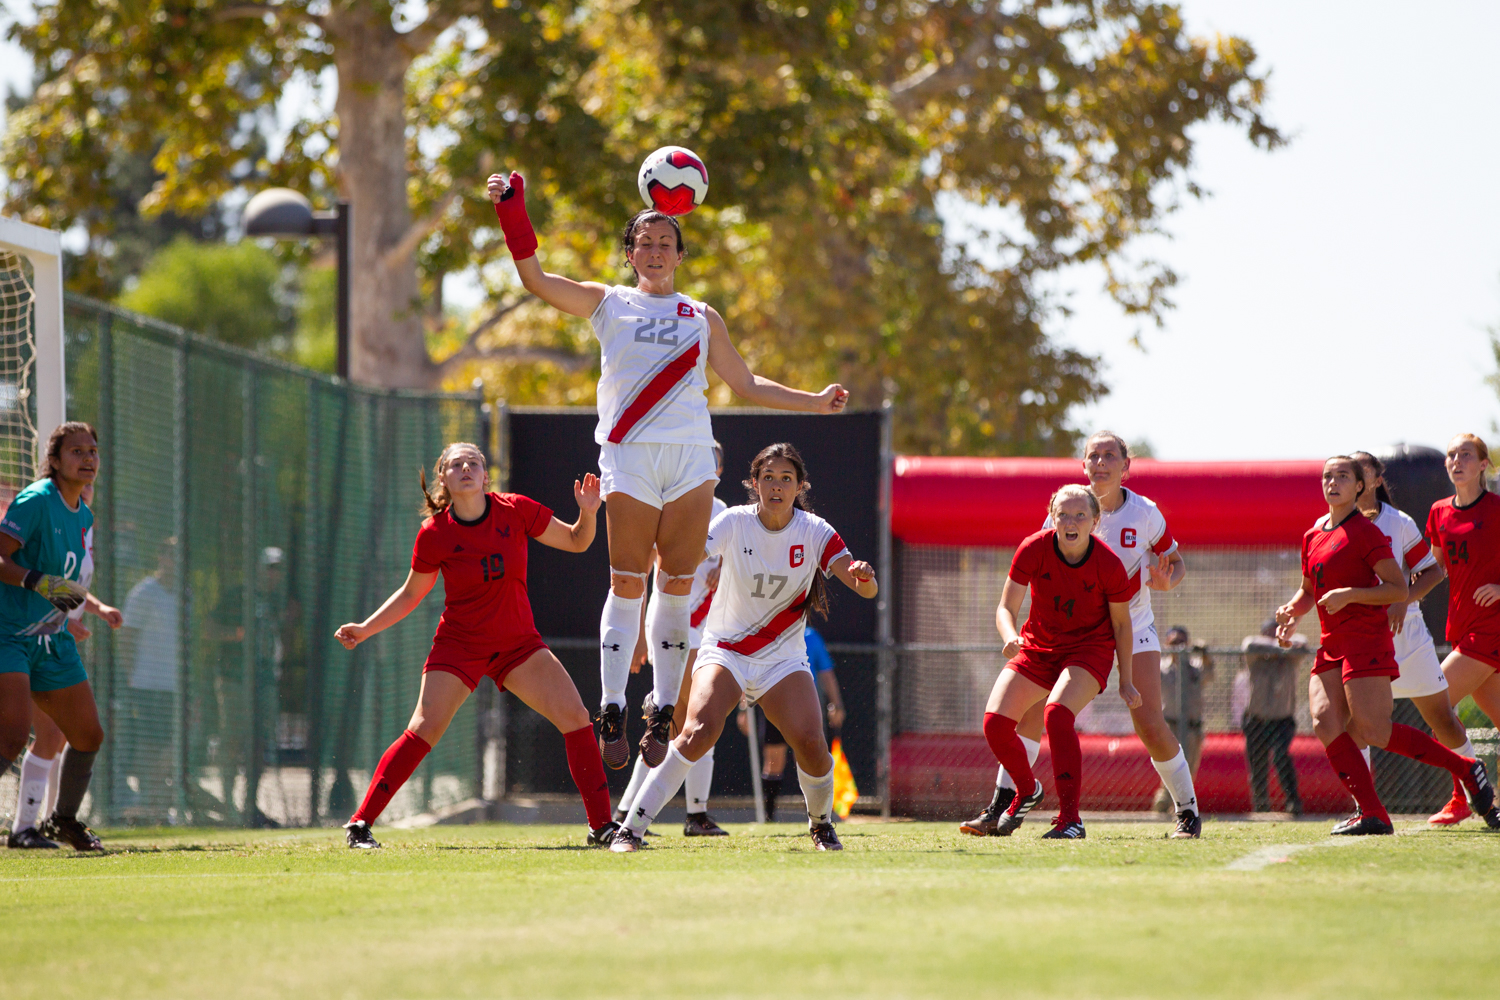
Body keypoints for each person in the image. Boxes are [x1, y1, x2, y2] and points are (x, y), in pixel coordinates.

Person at [486, 171, 848, 776]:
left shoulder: (701, 316)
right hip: (629, 454)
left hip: (691, 458)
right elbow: (536, 280)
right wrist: (511, 211)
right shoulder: (608, 302)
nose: (655, 250)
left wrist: (814, 401)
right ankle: (611, 707)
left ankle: (659, 710)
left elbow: (745, 383)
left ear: (680, 255)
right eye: (644, 242)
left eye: (665, 243)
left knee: (677, 583)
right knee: (628, 579)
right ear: (629, 254)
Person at [334, 443, 620, 848]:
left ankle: (602, 827)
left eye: (474, 463)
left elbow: (577, 541)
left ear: (486, 476)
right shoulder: (434, 533)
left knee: (575, 716)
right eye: (456, 464)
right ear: (443, 478)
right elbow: (411, 593)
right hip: (460, 645)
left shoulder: (515, 509)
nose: (466, 468)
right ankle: (360, 824)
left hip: (517, 644)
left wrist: (588, 514)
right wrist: (365, 629)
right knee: (423, 728)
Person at [609, 443, 878, 852]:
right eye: (768, 477)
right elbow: (685, 556)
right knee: (697, 731)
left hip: (783, 659)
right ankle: (630, 829)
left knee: (811, 742)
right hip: (726, 651)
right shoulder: (734, 521)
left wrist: (864, 577)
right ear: (754, 483)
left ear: (800, 486)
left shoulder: (816, 530)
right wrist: (661, 541)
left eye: (786, 478)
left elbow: (865, 588)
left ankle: (822, 825)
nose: (776, 486)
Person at [970, 432, 1202, 838]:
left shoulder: (1145, 513)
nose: (1101, 462)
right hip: (1070, 633)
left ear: (1126, 466)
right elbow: (1039, 574)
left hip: (1130, 624)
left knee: (1148, 721)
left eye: (1110, 455)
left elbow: (1176, 563)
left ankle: (1187, 810)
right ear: (1082, 465)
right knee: (1029, 714)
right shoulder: (1063, 511)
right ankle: (1004, 805)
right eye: (1093, 456)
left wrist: (1168, 581)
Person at [1274, 455, 1495, 835]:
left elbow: (1397, 588)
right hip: (1331, 643)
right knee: (1324, 721)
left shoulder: (1368, 531)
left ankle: (1465, 769)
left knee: (1375, 730)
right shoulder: (1313, 534)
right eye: (1328, 476)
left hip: (1368, 639)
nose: (1333, 482)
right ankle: (1372, 812)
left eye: (1342, 476)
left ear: (1361, 485)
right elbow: (1309, 589)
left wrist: (1350, 595)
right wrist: (1292, 611)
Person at [963, 484, 1140, 840]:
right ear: (1052, 517)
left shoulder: (1109, 564)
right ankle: (1027, 791)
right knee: (995, 724)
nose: (1071, 522)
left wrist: (1126, 679)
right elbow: (1006, 608)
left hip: (1089, 650)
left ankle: (1070, 820)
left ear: (1095, 521)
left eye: (1080, 515)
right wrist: (1009, 636)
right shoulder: (1033, 548)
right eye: (1063, 515)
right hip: (1038, 647)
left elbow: (1122, 625)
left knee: (1056, 714)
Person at [0, 423, 120, 851]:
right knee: (13, 736)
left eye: (93, 451)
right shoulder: (35, 500)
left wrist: (85, 608)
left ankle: (62, 821)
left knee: (88, 736)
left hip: (51, 641)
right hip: (9, 634)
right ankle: (23, 829)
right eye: (76, 451)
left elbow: (68, 583)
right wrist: (36, 581)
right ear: (54, 460)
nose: (88, 458)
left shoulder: (83, 515)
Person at [1347, 450, 1482, 826]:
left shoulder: (1398, 522)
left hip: (1406, 637)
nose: (1348, 477)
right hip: (1361, 641)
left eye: (1360, 470)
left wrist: (1402, 600)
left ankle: (1478, 794)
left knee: (1442, 718)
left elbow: (1433, 571)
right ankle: (1365, 808)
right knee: (1355, 725)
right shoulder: (1333, 526)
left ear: (1375, 480)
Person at [613, 443, 731, 837]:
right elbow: (639, 574)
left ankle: (634, 812)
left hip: (708, 630)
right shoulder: (665, 505)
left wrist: (727, 568)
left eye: (711, 460)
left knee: (680, 725)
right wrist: (638, 636)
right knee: (693, 719)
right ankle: (689, 815)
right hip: (673, 625)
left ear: (718, 470)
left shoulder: (725, 513)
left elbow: (742, 563)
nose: (702, 465)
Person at [1422, 433, 1500, 828]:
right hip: (1462, 628)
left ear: (1483, 464)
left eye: (1466, 455)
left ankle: (1463, 795)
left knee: (1436, 703)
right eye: (1452, 455)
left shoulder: (1497, 509)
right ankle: (1469, 791)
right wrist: (1402, 590)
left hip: (1490, 629)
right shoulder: (1439, 511)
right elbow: (1435, 567)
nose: (1457, 461)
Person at [743, 625, 846, 821]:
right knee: (773, 761)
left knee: (811, 756)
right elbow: (749, 669)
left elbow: (826, 673)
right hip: (774, 704)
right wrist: (744, 709)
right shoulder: (768, 633)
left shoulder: (811, 637)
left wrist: (836, 704)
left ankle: (819, 816)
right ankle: (768, 816)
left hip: (804, 706)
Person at [1240, 620, 1307, 814]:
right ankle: (1261, 804)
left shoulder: (1291, 657)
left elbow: (1303, 643)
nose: (1272, 637)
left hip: (1282, 719)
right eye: (1268, 633)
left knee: (1281, 756)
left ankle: (1293, 801)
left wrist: (1282, 646)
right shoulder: (1255, 656)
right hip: (1257, 719)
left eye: (1276, 633)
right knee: (1257, 764)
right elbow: (1248, 644)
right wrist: (1278, 647)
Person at [1155, 625, 1213, 812]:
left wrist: (1204, 653)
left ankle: (1179, 805)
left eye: (1182, 642)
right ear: (1166, 644)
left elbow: (1209, 673)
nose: (1178, 647)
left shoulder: (1195, 668)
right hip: (1170, 725)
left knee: (1189, 768)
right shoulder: (1161, 668)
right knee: (1170, 764)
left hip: (1192, 726)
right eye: (1174, 643)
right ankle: (1164, 799)